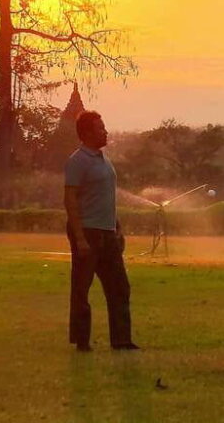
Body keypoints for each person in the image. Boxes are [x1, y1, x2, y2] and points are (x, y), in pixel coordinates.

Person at [64, 110, 139, 352]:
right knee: (81, 289)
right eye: (100, 128)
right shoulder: (78, 161)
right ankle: (82, 341)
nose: (105, 131)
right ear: (86, 133)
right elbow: (70, 200)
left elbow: (107, 198)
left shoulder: (104, 159)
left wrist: (117, 228)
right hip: (88, 232)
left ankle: (121, 340)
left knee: (119, 287)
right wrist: (80, 238)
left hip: (107, 233)